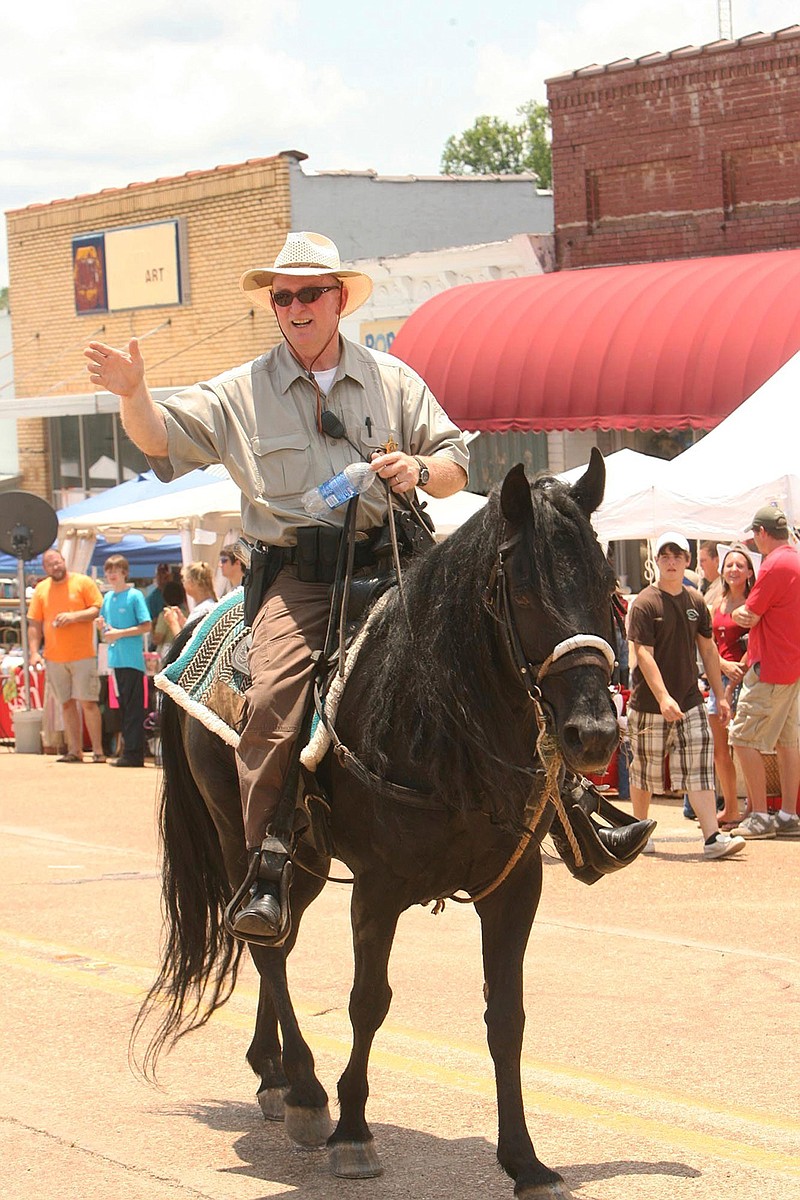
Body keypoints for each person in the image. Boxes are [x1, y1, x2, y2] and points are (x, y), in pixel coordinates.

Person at [626, 532, 745, 860]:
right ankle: (640, 831)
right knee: (644, 771)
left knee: (700, 767)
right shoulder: (645, 603)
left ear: (687, 561)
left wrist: (720, 696)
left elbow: (708, 650)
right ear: (656, 561)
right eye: (665, 556)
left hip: (690, 700)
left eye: (677, 555)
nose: (671, 562)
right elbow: (643, 654)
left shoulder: (696, 602)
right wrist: (663, 697)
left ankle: (711, 837)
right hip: (649, 704)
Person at [729, 506, 800, 838]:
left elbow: (750, 614)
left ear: (761, 532)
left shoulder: (773, 564)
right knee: (788, 742)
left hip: (771, 665)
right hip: (792, 665)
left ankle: (759, 815)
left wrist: (739, 613)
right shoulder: (796, 559)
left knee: (742, 737)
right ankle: (787, 814)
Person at [27, 548, 105, 763]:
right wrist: (34, 653)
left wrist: (73, 617)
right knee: (66, 704)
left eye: (58, 562)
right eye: (50, 564)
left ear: (64, 560)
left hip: (83, 655)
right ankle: (74, 750)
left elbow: (96, 609)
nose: (56, 566)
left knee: (88, 702)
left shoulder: (83, 582)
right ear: (45, 568)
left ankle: (98, 751)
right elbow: (34, 624)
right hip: (54, 657)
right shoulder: (41, 589)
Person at [708, 544, 759, 827]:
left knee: (744, 746)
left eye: (740, 565)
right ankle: (730, 808)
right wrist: (722, 666)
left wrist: (735, 671)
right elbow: (708, 643)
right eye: (729, 565)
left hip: (748, 678)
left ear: (750, 571)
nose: (734, 569)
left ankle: (752, 807)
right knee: (720, 750)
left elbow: (757, 641)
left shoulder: (754, 603)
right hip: (719, 679)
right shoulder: (716, 603)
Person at [97, 554, 152, 768]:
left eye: (116, 570)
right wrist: (102, 627)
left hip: (131, 660)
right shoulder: (108, 598)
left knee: (133, 708)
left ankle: (133, 753)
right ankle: (130, 751)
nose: (111, 574)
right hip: (116, 660)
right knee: (124, 708)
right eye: (109, 570)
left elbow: (146, 625)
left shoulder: (134, 595)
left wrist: (119, 633)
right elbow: (105, 629)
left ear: (124, 573)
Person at [162, 561, 218, 637]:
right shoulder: (209, 606)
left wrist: (173, 622)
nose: (183, 584)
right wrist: (183, 622)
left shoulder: (201, 610)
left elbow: (187, 643)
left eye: (184, 580)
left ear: (191, 582)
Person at [151, 579, 188, 662]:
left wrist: (152, 627)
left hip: (166, 655)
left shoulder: (165, 614)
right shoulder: (187, 614)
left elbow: (157, 639)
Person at [698, 541, 722, 607]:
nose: (700, 565)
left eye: (702, 561)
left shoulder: (723, 588)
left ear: (717, 561)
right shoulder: (715, 586)